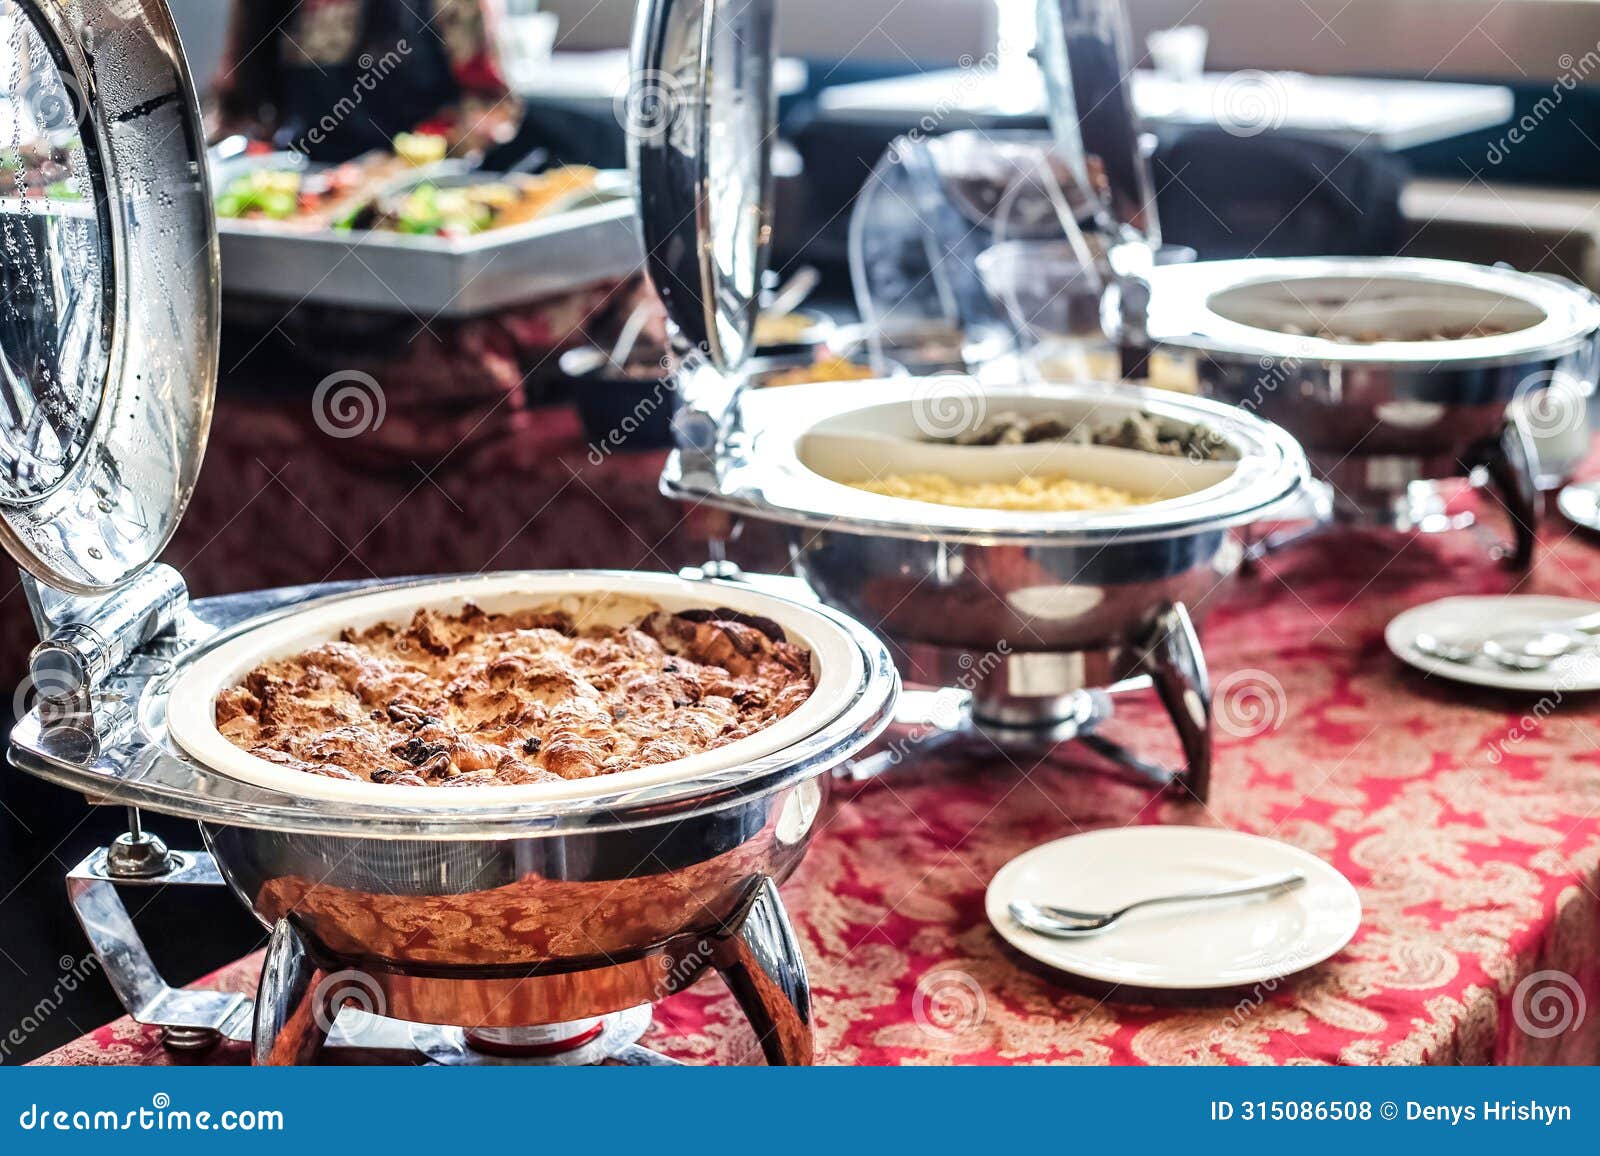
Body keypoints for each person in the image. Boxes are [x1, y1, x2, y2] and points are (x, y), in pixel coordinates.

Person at [208, 0, 521, 162]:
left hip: (415, 209)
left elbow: (491, 106)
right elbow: (239, 111)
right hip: (306, 202)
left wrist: (417, 160)